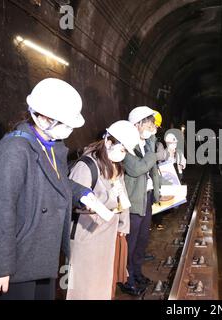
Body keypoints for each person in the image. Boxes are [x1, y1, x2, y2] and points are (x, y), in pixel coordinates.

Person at [0, 78, 90, 300]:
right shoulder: (13, 150)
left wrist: (83, 194)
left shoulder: (51, 147)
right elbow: (0, 209)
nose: (69, 129)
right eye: (65, 123)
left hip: (42, 252)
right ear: (44, 118)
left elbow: (57, 181)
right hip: (18, 260)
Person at [67, 121, 139, 300]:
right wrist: (110, 201)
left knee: (104, 286)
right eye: (122, 150)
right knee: (84, 288)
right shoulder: (86, 165)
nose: (123, 156)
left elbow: (123, 199)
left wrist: (123, 226)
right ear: (108, 141)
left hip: (109, 236)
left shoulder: (116, 167)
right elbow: (75, 201)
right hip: (87, 236)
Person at [118, 106, 161, 296]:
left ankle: (137, 273)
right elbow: (137, 168)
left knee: (142, 240)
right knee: (131, 241)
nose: (152, 129)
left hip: (146, 197)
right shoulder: (125, 143)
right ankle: (127, 278)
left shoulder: (146, 144)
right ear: (137, 124)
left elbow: (152, 170)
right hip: (133, 200)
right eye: (149, 125)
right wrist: (154, 155)